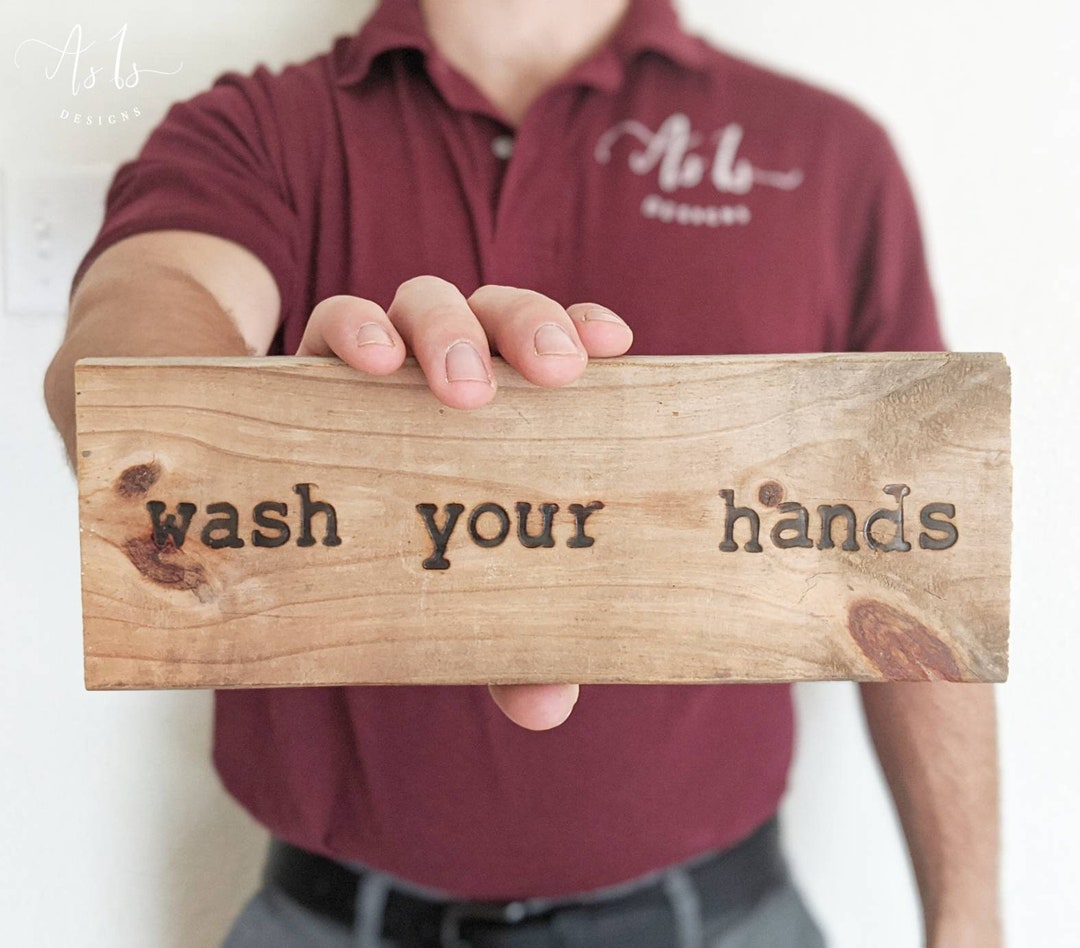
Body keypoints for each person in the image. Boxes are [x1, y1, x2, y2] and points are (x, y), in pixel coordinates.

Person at [43, 0, 1001, 945]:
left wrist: (969, 923)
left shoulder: (827, 154)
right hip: (329, 920)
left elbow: (914, 552)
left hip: (727, 919)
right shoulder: (255, 130)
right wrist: (197, 421)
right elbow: (147, 321)